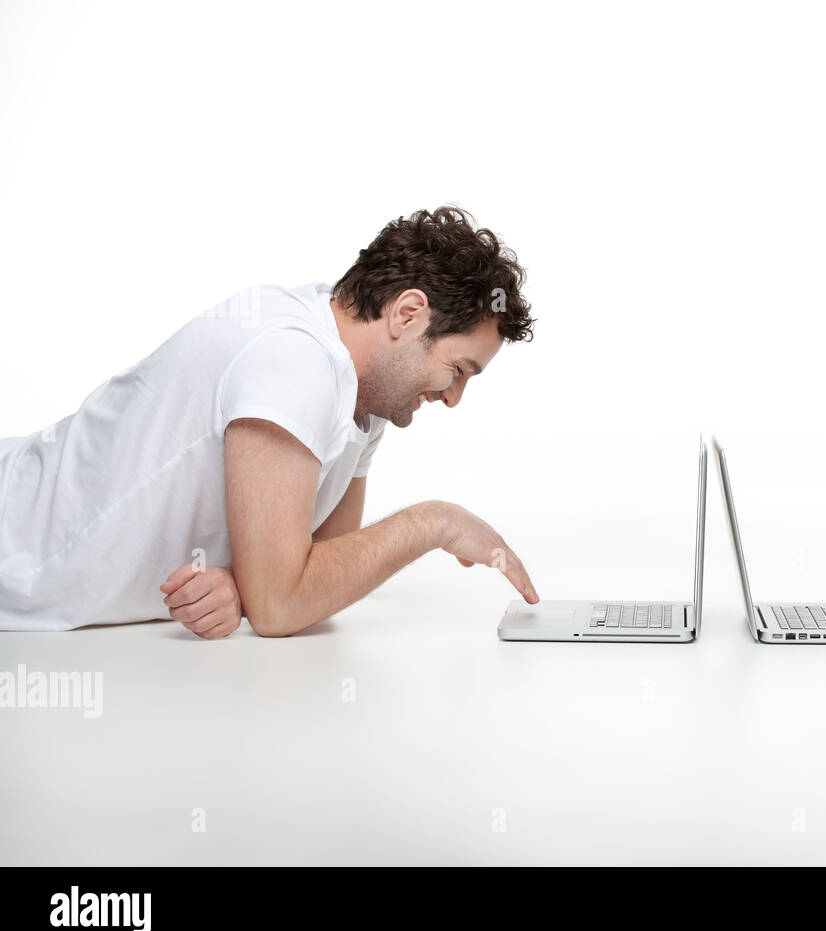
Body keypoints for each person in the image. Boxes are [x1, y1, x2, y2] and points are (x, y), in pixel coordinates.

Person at [0, 206, 540, 638]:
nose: (454, 398)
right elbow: (283, 605)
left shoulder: (365, 398)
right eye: (458, 369)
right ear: (407, 314)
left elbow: (318, 574)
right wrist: (434, 523)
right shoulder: (293, 359)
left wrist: (246, 584)